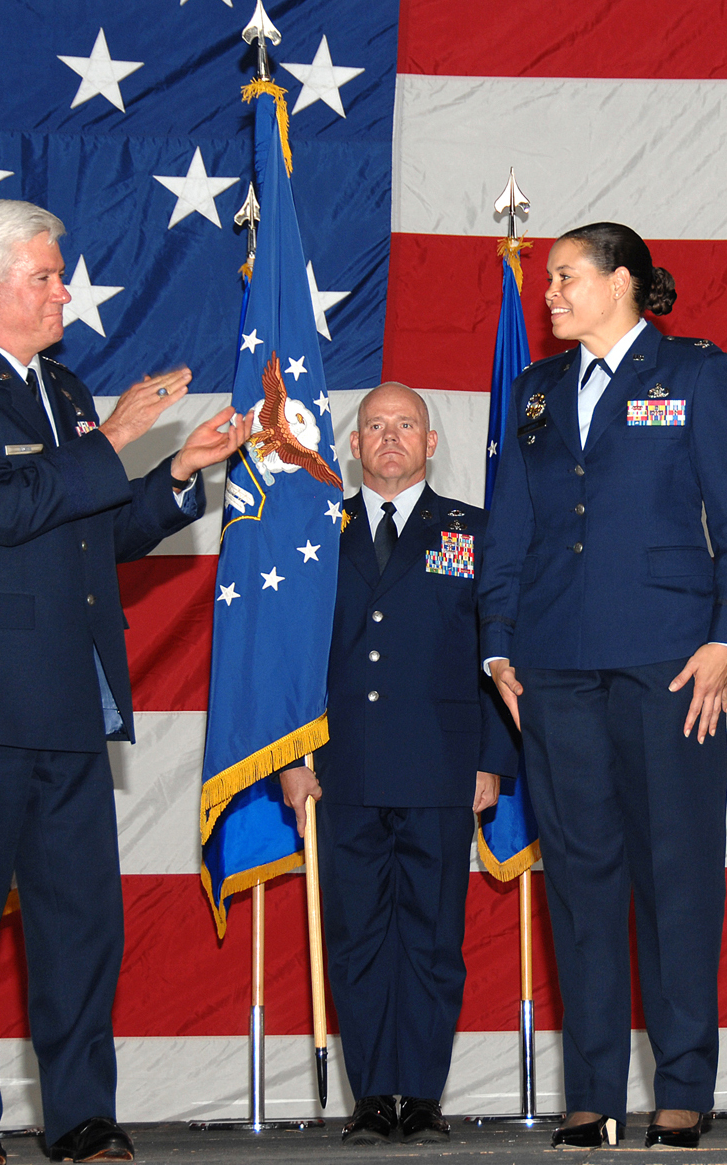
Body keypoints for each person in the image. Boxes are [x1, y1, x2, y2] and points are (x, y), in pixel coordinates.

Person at [0, 198, 252, 1165]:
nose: (63, 291)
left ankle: (83, 1114)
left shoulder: (67, 386)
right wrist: (113, 439)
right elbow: (1, 507)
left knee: (82, 922)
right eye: (45, 276)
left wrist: (176, 472)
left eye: (59, 274)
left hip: (71, 692)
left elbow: (94, 530)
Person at [479, 223, 727, 1149]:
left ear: (623, 281)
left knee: (677, 875)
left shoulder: (695, 373)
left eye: (567, 276)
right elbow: (510, 523)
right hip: (553, 664)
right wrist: (497, 645)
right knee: (580, 881)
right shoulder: (536, 388)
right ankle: (592, 1094)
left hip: (672, 662)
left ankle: (683, 1086)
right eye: (550, 279)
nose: (551, 292)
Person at [278, 383, 519, 1146]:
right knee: (355, 937)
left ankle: (419, 1092)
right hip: (339, 767)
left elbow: (497, 650)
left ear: (430, 442)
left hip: (441, 765)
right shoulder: (317, 529)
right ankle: (373, 1094)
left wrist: (493, 757)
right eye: (375, 425)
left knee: (431, 937)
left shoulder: (474, 531)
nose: (390, 436)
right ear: (353, 445)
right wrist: (290, 757)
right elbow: (291, 654)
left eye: (405, 424)